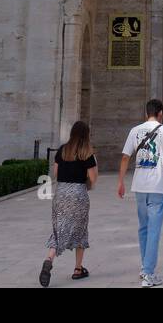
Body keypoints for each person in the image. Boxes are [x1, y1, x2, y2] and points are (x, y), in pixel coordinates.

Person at [119, 98, 163, 287]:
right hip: (157, 186)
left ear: (146, 113)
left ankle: (144, 267)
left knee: (143, 228)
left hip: (139, 186)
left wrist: (120, 181)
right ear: (160, 113)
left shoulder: (135, 131)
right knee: (154, 230)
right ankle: (148, 272)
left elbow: (125, 157)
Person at [40, 121, 98, 286]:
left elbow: (56, 173)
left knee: (59, 230)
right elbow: (93, 179)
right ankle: (78, 269)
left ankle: (49, 258)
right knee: (79, 230)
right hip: (78, 194)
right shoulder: (87, 153)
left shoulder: (62, 150)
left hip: (61, 194)